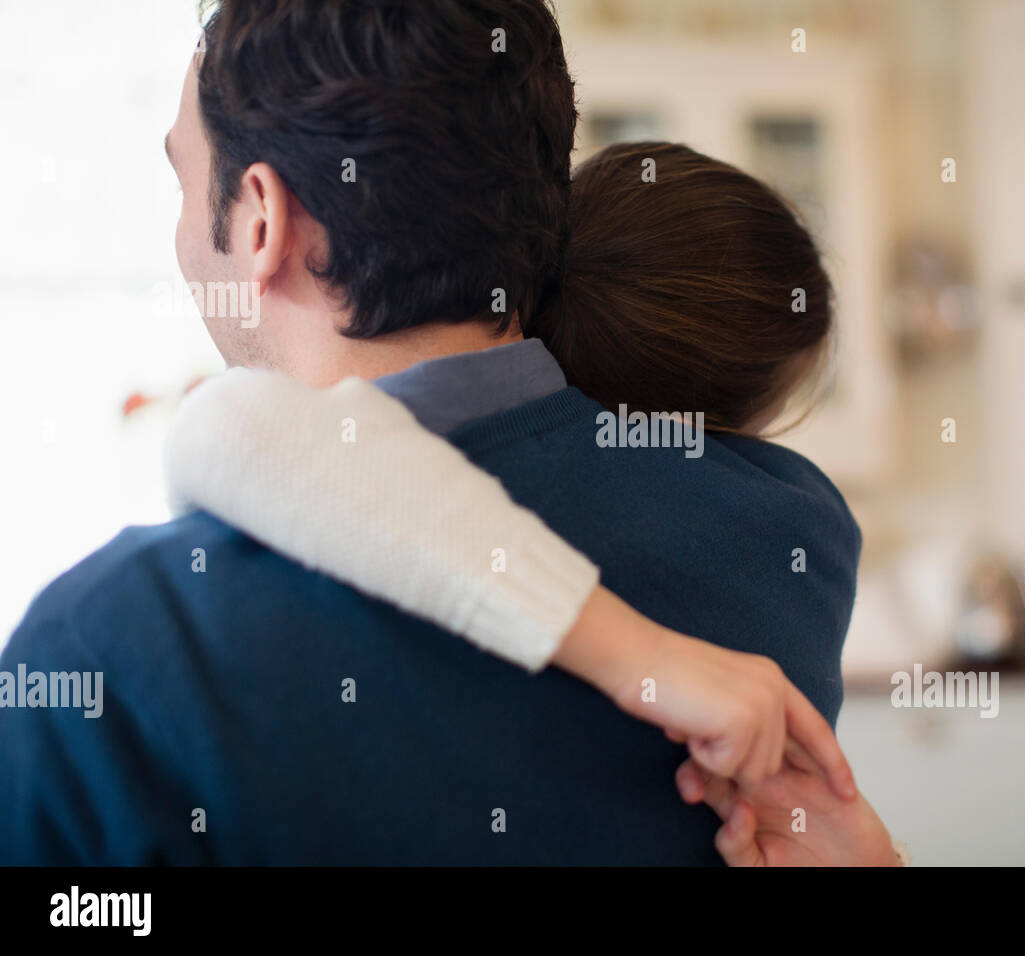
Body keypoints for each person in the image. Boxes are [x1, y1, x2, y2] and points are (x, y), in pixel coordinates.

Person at [0, 0, 890, 864]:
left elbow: (246, 438)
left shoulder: (113, 654)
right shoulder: (786, 533)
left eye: (184, 181)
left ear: (260, 219)